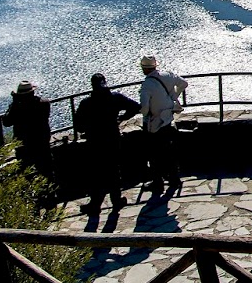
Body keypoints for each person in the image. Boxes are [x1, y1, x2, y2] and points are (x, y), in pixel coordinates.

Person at [73, 72, 139, 213]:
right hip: (112, 139)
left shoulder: (86, 103)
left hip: (94, 141)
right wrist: (122, 117)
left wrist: (87, 128)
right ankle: (116, 201)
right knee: (114, 170)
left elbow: (78, 125)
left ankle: (95, 205)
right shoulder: (115, 98)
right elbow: (135, 107)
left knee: (96, 173)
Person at [138, 56, 187, 192]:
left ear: (144, 69)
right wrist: (173, 97)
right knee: (169, 153)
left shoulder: (147, 85)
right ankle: (174, 180)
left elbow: (145, 109)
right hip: (168, 120)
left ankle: (157, 183)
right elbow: (184, 83)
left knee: (154, 156)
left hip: (154, 125)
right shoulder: (168, 75)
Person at [1, 80, 54, 186]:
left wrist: (14, 104)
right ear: (32, 92)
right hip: (42, 143)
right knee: (46, 170)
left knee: (26, 174)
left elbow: (6, 122)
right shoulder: (44, 103)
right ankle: (51, 196)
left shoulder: (17, 108)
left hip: (24, 146)